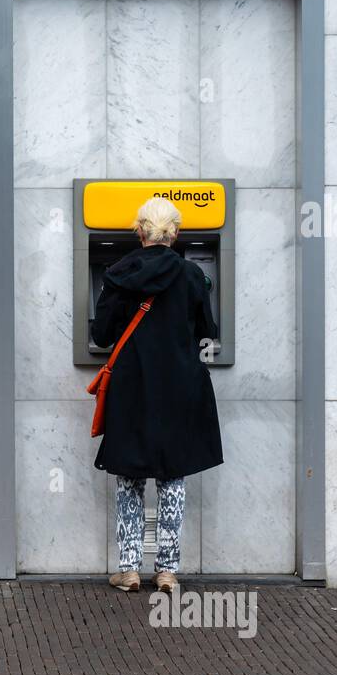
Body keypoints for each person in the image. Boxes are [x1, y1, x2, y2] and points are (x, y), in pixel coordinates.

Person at [91, 197, 222, 594]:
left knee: (130, 477)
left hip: (132, 386)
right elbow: (208, 330)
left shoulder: (117, 273)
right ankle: (167, 570)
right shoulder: (192, 275)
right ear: (176, 234)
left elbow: (102, 335)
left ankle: (129, 568)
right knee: (172, 477)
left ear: (139, 232)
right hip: (180, 385)